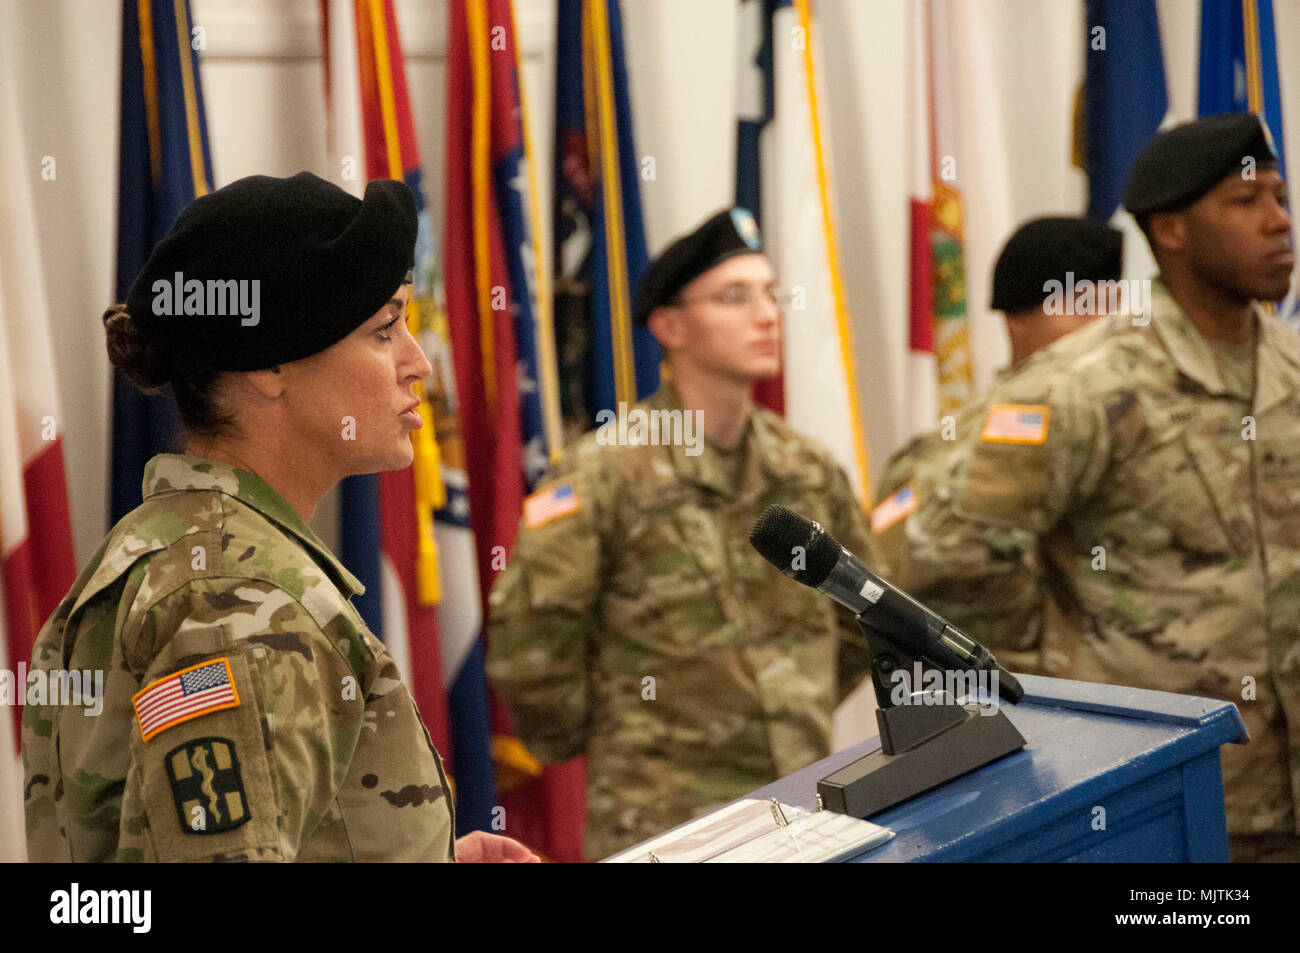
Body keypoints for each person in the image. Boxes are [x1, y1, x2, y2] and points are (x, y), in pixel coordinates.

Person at [23, 171, 536, 863]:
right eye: (384, 331)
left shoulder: (176, 551)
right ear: (269, 363)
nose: (418, 364)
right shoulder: (236, 605)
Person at [893, 113, 1300, 861]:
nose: (1279, 222)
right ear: (1171, 230)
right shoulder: (1081, 387)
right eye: (1246, 203)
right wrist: (1047, 700)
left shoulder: (1292, 371)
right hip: (1163, 802)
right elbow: (945, 562)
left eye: (1279, 197)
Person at [486, 208, 875, 860]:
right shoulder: (605, 470)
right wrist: (625, 734)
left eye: (770, 294)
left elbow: (862, 617)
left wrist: (784, 701)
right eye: (735, 296)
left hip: (803, 815)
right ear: (668, 326)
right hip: (663, 826)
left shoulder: (806, 467)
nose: (768, 314)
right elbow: (532, 644)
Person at [871, 216, 1122, 672]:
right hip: (1031, 695)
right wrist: (1029, 654)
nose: (1102, 328)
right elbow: (909, 560)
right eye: (1083, 308)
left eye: (1113, 307)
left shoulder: (1128, 413)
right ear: (1017, 316)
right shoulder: (979, 433)